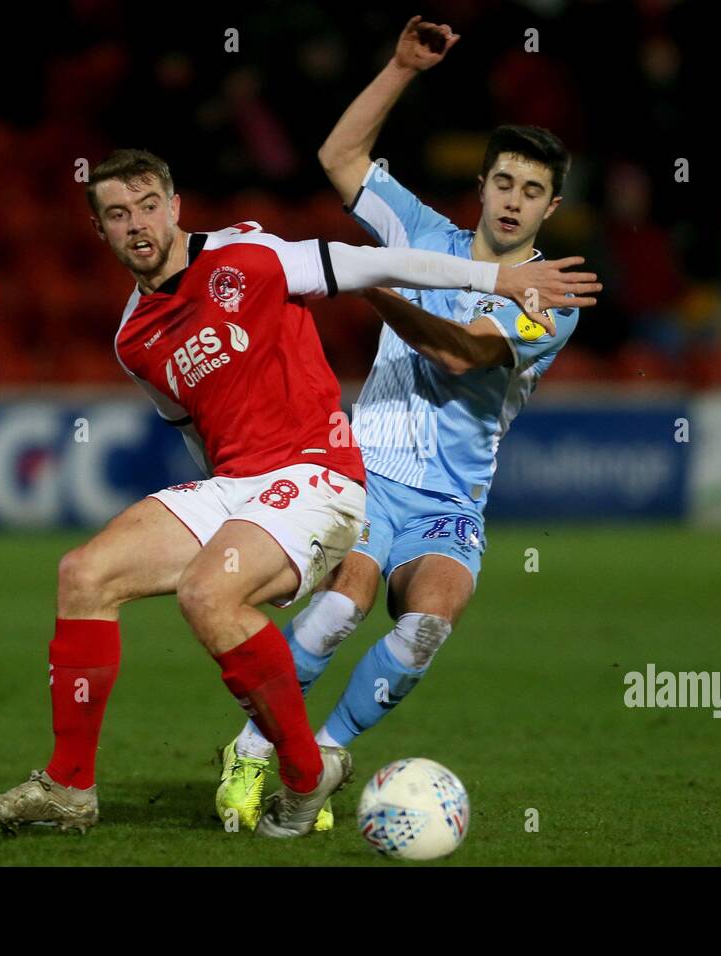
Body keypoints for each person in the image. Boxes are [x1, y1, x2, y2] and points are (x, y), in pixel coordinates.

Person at [0, 147, 599, 838]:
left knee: (209, 592)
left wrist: (497, 278)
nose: (138, 225)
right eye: (118, 215)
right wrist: (231, 522)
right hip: (237, 484)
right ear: (101, 231)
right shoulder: (133, 337)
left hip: (318, 475)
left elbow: (379, 265)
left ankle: (299, 770)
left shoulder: (253, 253)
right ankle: (69, 787)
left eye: (150, 206)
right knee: (84, 574)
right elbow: (193, 434)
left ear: (175, 207)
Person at [217, 17, 598, 831]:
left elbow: (462, 356)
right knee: (343, 606)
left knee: (428, 623)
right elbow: (339, 162)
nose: (512, 199)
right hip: (363, 478)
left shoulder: (549, 298)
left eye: (532, 190)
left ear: (551, 206)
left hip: (450, 506)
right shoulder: (425, 236)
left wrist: (370, 282)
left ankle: (315, 762)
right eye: (503, 181)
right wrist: (397, 67)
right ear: (484, 183)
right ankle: (254, 753)